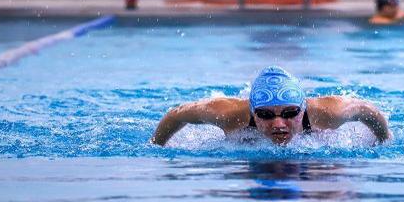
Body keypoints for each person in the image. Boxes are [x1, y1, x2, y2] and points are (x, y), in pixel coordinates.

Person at [150, 66, 391, 147]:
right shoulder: (229, 114)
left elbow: (367, 110)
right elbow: (177, 115)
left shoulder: (329, 113)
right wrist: (156, 146)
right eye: (265, 115)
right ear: (252, 112)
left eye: (289, 113)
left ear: (303, 109)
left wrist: (383, 141)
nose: (278, 123)